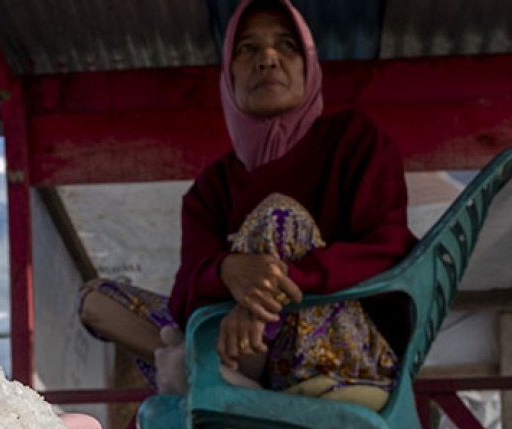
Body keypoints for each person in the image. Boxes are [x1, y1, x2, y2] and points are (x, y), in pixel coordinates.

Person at [78, 0, 416, 408]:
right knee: (97, 300)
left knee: (279, 217)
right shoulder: (211, 188)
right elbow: (187, 291)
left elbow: (387, 248)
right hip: (241, 349)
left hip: (345, 356)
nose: (268, 59)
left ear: (309, 67)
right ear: (229, 73)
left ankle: (197, 370)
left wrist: (262, 295)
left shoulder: (354, 140)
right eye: (248, 49)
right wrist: (227, 272)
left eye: (286, 46)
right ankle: (218, 376)